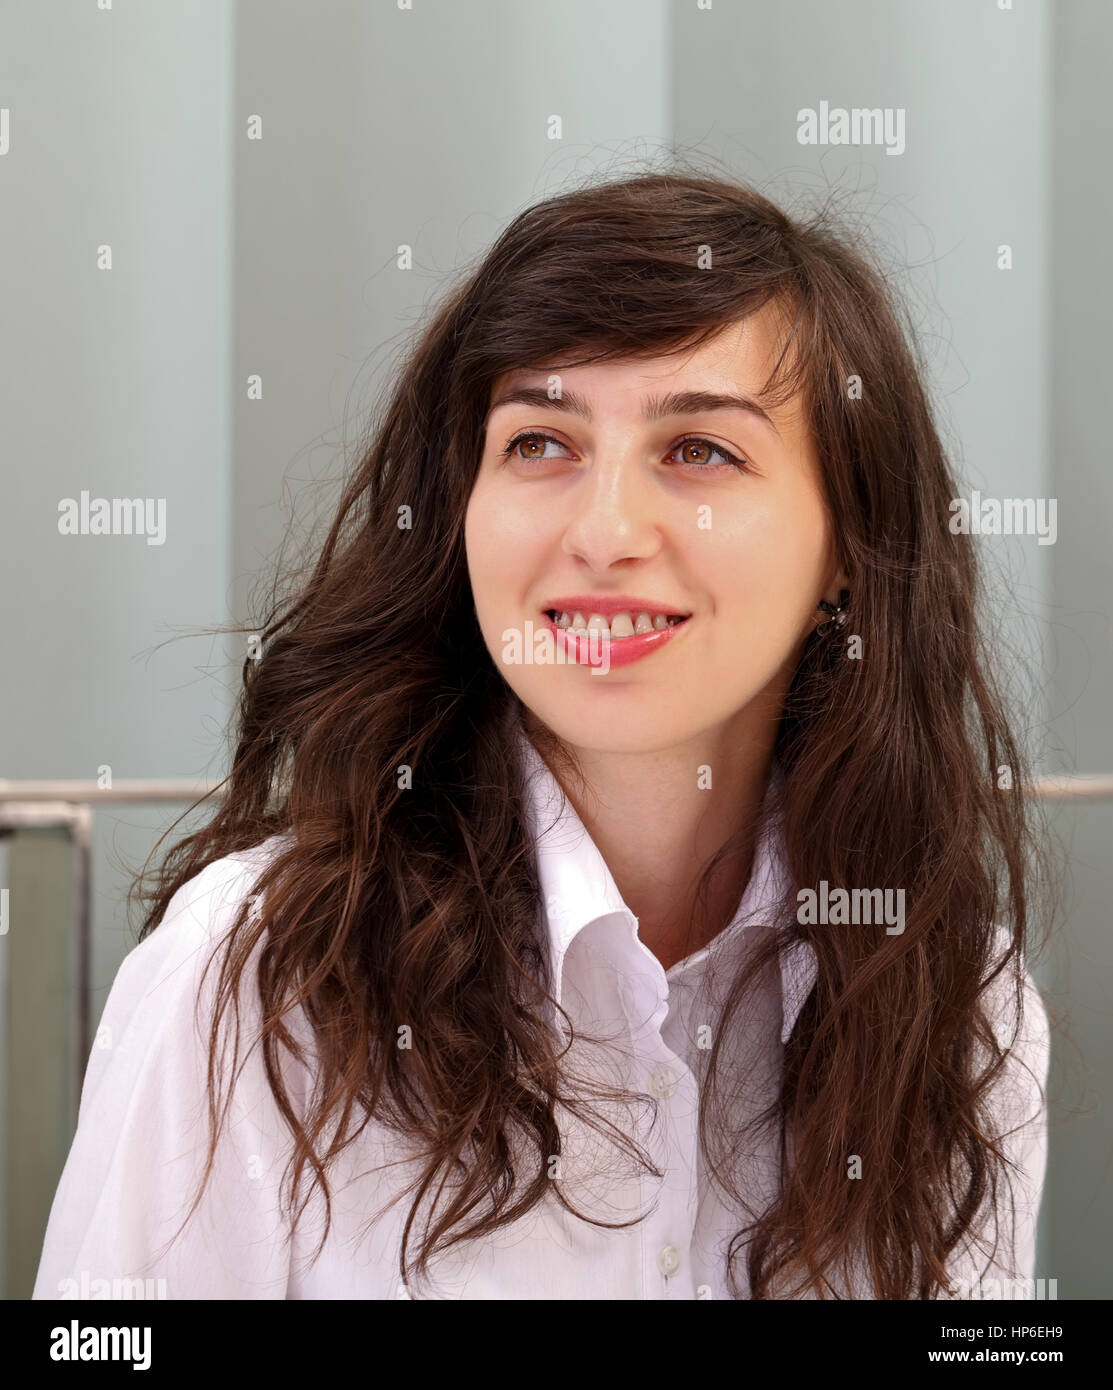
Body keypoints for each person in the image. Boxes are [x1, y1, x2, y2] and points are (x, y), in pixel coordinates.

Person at [33, 169, 1052, 1300]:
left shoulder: (961, 1007)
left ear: (849, 550)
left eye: (700, 451)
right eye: (539, 442)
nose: (606, 530)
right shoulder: (258, 982)